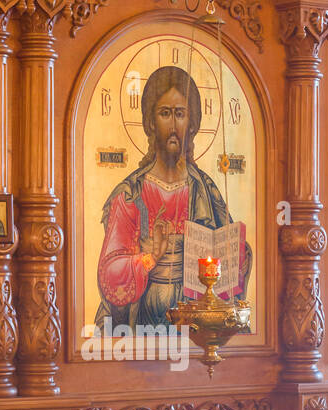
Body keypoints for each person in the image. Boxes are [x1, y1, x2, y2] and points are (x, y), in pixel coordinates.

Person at [95, 66, 251, 329]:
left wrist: (232, 252)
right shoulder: (131, 194)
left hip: (198, 324)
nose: (173, 123)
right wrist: (147, 259)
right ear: (150, 122)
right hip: (142, 321)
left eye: (180, 114)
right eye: (165, 113)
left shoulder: (205, 189)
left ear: (192, 122)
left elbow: (236, 254)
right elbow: (109, 270)